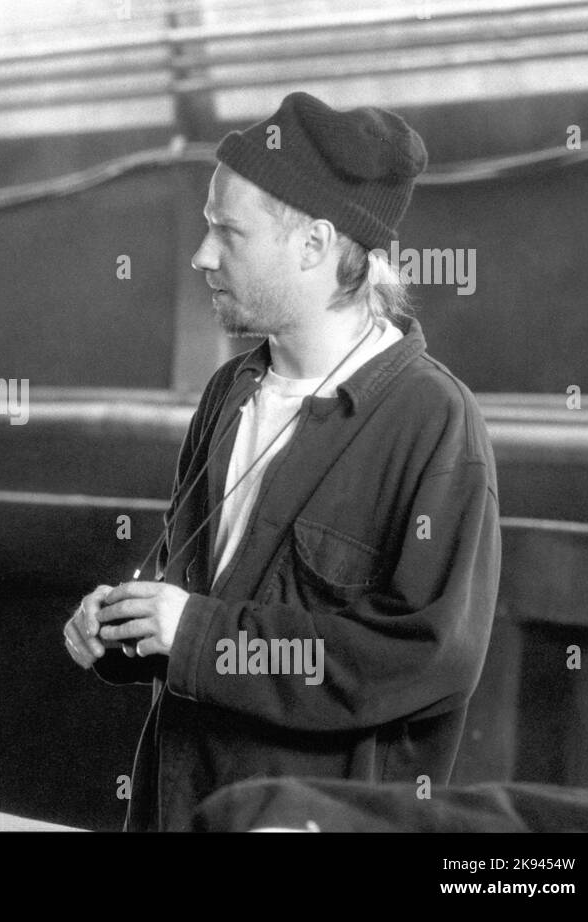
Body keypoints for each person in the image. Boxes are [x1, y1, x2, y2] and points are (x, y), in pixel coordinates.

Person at [63, 92, 500, 831]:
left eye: (226, 232)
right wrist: (126, 629)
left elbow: (420, 661)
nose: (202, 255)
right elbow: (186, 592)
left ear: (314, 245)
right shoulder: (230, 394)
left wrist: (199, 635)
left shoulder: (432, 422)